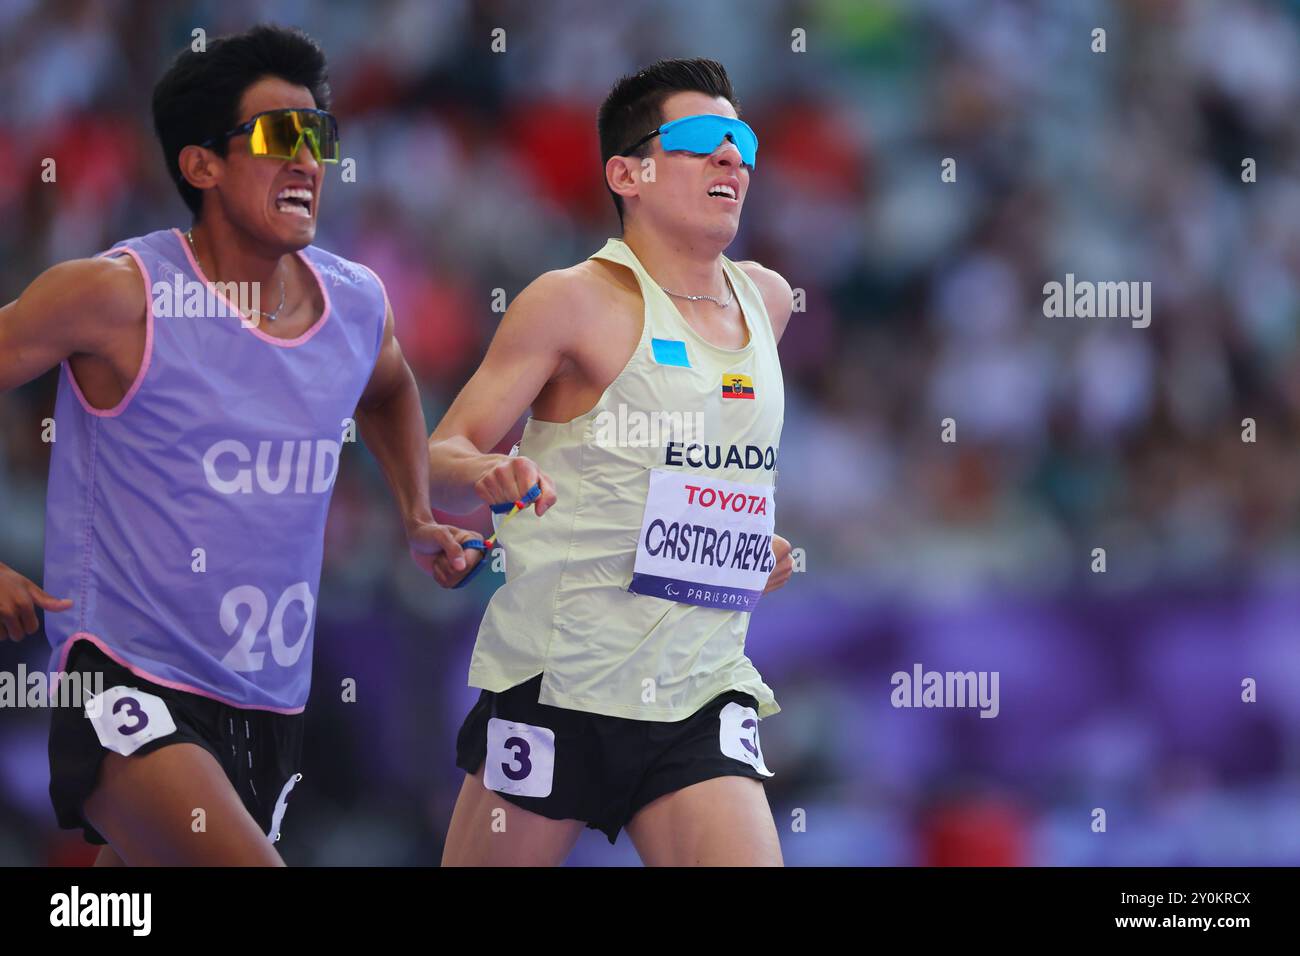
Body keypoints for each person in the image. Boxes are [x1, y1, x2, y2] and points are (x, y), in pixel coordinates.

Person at [0, 25, 479, 866]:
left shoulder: (356, 304)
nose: (307, 161)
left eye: (319, 136)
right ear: (201, 165)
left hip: (267, 706)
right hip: (123, 678)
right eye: (277, 136)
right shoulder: (117, 298)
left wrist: (414, 513)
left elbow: (391, 388)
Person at [429, 58, 795, 866]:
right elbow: (443, 452)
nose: (732, 159)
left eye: (742, 141)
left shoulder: (769, 301)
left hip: (699, 685)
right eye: (703, 140)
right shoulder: (570, 301)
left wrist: (741, 542)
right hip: (565, 680)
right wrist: (492, 475)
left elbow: (703, 454)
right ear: (627, 172)